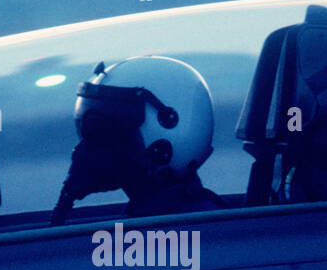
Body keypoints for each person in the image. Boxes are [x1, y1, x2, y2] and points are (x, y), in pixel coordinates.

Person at [51, 55, 227, 224]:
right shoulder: (146, 222)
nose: (88, 150)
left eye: (109, 134)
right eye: (93, 134)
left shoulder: (192, 231)